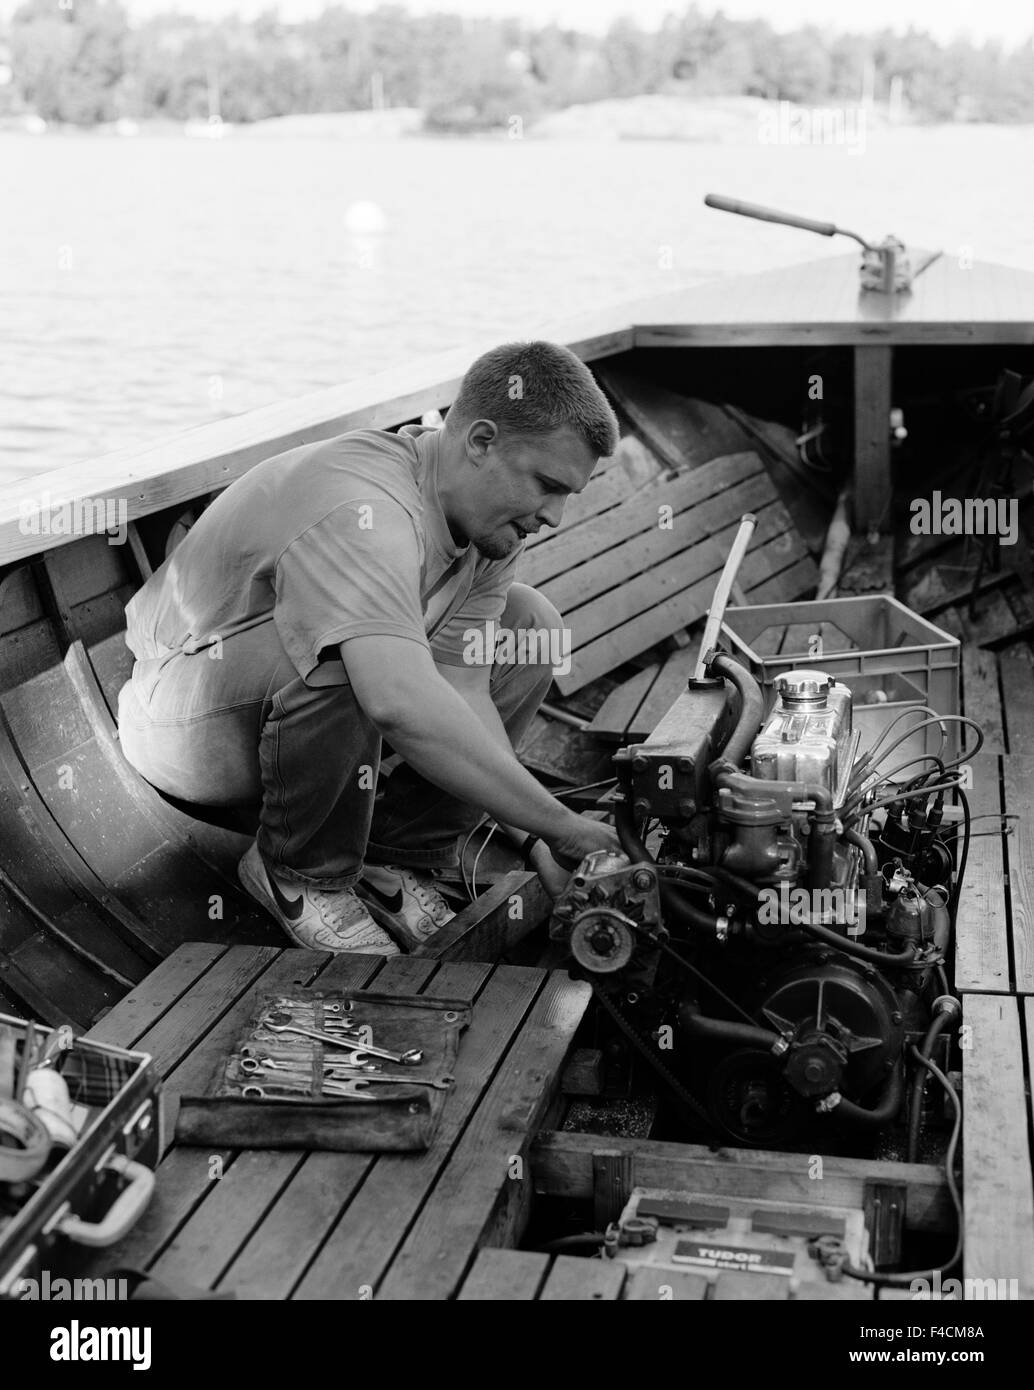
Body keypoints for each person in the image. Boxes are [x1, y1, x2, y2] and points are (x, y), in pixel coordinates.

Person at [116, 340, 623, 957]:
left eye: (569, 494)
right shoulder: (368, 510)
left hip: (291, 715)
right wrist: (564, 824)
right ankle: (299, 874)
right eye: (547, 485)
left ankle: (394, 859)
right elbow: (395, 702)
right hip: (179, 721)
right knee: (360, 663)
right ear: (481, 440)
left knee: (529, 627)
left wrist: (542, 837)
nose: (555, 515)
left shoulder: (486, 527)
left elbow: (464, 692)